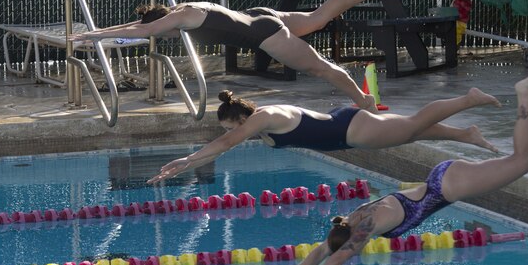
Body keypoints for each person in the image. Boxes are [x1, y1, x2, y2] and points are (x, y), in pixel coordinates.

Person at [290, 69, 528, 265]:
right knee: (518, 163)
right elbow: (323, 251)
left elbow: (334, 260)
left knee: (519, 159)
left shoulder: (362, 230)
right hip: (443, 180)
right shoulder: (349, 220)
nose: (346, 251)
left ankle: (525, 94)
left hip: (448, 187)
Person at [69, 0, 409, 113]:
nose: (165, 33)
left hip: (263, 35)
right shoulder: (188, 6)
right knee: (318, 17)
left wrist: (94, 35)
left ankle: (362, 100)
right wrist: (98, 31)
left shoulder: (178, 18)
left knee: (319, 66)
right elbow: (139, 27)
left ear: (165, 21)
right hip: (261, 15)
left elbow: (140, 31)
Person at [146, 87, 502, 184]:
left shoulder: (264, 117)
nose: (235, 135)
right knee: (408, 133)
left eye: (232, 127)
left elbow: (224, 144)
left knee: (411, 126)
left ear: (240, 118)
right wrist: (192, 161)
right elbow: (222, 148)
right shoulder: (263, 122)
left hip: (350, 129)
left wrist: (186, 160)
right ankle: (465, 134)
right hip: (346, 126)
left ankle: (465, 100)